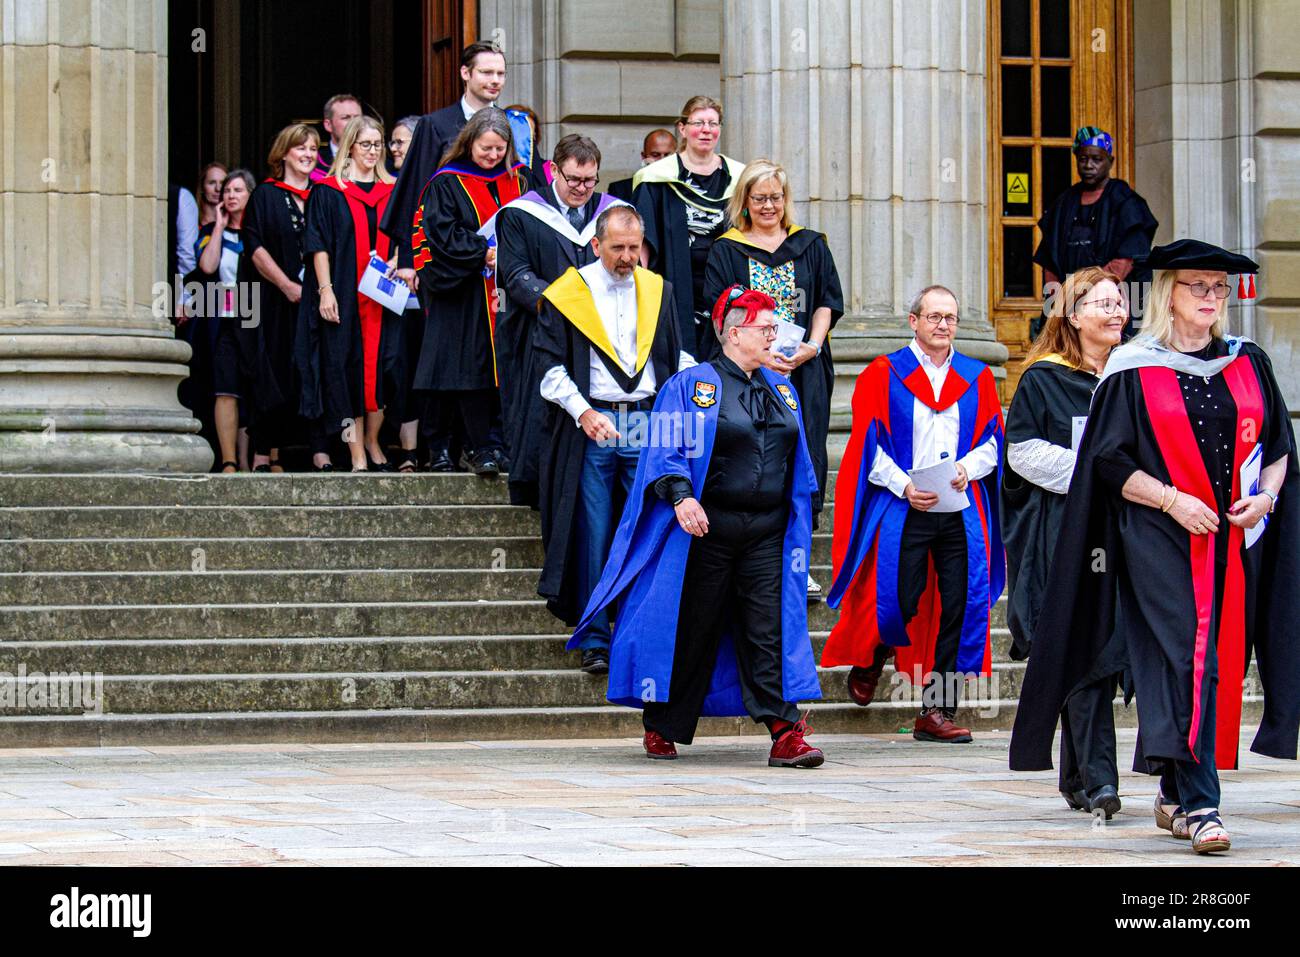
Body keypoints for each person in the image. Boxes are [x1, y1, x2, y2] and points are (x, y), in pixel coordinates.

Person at [1011, 240, 1300, 855]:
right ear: (1170, 292)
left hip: (1231, 537)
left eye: (1220, 289)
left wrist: (1267, 500)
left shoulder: (1248, 362)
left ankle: (1170, 787)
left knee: (1207, 660)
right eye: (1199, 286)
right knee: (1184, 653)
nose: (1212, 298)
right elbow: (1107, 462)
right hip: (1157, 535)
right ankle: (1202, 803)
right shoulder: (1134, 369)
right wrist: (1172, 500)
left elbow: (1278, 449)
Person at [569, 285, 825, 766]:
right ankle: (662, 723)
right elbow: (664, 450)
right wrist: (682, 497)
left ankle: (785, 731)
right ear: (733, 334)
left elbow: (800, 461)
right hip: (707, 533)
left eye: (775, 327)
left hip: (767, 534)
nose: (775, 335)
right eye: (764, 327)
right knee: (695, 626)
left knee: (766, 629)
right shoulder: (691, 385)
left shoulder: (783, 387)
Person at [822, 285, 1005, 743]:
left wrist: (966, 468)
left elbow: (992, 442)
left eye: (950, 318)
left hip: (960, 508)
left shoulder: (977, 377)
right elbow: (869, 447)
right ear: (913, 321)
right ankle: (872, 656)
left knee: (959, 604)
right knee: (900, 599)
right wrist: (905, 484)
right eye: (934, 316)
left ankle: (935, 710)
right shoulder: (884, 374)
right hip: (905, 504)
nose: (943, 325)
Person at [535, 206, 693, 673]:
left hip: (648, 421)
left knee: (648, 525)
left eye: (634, 247)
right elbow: (547, 368)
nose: (628, 258)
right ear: (596, 244)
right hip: (596, 424)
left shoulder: (657, 289)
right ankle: (597, 635)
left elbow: (677, 354)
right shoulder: (567, 293)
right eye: (618, 248)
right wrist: (583, 411)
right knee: (596, 530)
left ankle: (640, 627)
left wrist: (683, 406)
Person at [1001, 267, 1127, 817]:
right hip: (1063, 531)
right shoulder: (1044, 380)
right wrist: (1094, 473)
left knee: (1102, 645)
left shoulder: (1131, 378)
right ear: (1073, 317)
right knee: (1084, 643)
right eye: (1103, 304)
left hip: (1122, 532)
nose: (1117, 311)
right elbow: (1022, 452)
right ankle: (1099, 778)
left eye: (1121, 302)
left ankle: (1079, 776)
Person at [705, 158, 843, 575]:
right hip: (749, 375)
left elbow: (827, 301)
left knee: (803, 452)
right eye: (760, 198)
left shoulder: (810, 244)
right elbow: (721, 311)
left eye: (776, 198)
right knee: (758, 455)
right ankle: (760, 563)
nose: (769, 206)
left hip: (804, 369)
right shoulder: (727, 249)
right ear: (744, 201)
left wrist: (811, 348)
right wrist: (760, 356)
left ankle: (798, 564)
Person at [495, 134, 631, 506]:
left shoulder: (611, 215)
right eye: (573, 180)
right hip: (540, 330)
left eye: (590, 180)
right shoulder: (522, 213)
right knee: (543, 410)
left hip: (600, 334)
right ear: (554, 170)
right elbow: (516, 273)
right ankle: (541, 488)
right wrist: (564, 308)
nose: (582, 189)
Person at [410, 108, 528, 475]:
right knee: (465, 369)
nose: (492, 156)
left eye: (499, 149)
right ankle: (469, 447)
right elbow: (441, 233)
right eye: (485, 148)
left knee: (504, 366)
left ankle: (501, 444)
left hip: (506, 291)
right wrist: (484, 252)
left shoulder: (521, 180)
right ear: (469, 142)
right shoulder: (447, 182)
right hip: (463, 291)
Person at [295, 115, 405, 472]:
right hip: (343, 294)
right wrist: (325, 291)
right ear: (350, 147)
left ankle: (373, 440)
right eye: (365, 145)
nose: (373, 152)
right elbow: (318, 245)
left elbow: (410, 237)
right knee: (343, 375)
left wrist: (398, 259)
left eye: (378, 144)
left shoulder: (395, 191)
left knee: (386, 370)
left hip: (384, 298)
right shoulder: (328, 192)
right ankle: (355, 452)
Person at [633, 96, 746, 357]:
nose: (706, 130)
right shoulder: (656, 178)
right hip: (676, 283)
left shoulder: (739, 178)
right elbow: (644, 243)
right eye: (698, 122)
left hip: (727, 284)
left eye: (713, 123)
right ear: (682, 128)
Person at [236, 123, 319, 472]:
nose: (308, 155)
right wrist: (286, 285)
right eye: (301, 148)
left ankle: (310, 451)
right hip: (274, 302)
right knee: (275, 371)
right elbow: (254, 247)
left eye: (314, 149)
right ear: (284, 152)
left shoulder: (323, 194)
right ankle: (263, 453)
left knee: (311, 371)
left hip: (316, 302)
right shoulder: (265, 196)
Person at [380, 41, 507, 270]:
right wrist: (409, 259)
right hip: (448, 254)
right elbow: (417, 191)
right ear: (465, 73)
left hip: (503, 254)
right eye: (487, 72)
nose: (496, 80)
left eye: (501, 73)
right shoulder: (436, 125)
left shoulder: (515, 126)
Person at [1032, 126, 1157, 336]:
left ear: (1110, 161)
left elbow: (1124, 262)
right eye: (1083, 159)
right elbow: (1049, 261)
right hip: (1067, 306)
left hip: (1116, 303)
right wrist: (1061, 299)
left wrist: (1089, 294)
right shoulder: (1063, 203)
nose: (1089, 165)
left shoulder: (1126, 203)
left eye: (1096, 159)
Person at [193, 168, 256, 473]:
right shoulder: (209, 233)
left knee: (255, 388)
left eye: (238, 190)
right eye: (227, 191)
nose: (230, 195)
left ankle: (254, 459)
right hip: (225, 318)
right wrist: (218, 225)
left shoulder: (259, 233)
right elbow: (207, 266)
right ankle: (229, 459)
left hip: (255, 316)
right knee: (226, 388)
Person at [608, 129, 677, 202]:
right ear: (644, 156)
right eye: (655, 155)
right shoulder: (620, 190)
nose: (662, 161)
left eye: (668, 156)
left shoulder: (686, 189)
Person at [313, 94, 363, 183]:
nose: (353, 123)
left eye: (357, 118)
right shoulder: (312, 163)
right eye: (345, 117)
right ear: (328, 125)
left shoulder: (381, 163)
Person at [196, 162, 228, 227]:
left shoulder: (235, 223)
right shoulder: (192, 222)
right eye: (212, 183)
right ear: (202, 187)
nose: (218, 189)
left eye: (222, 183)